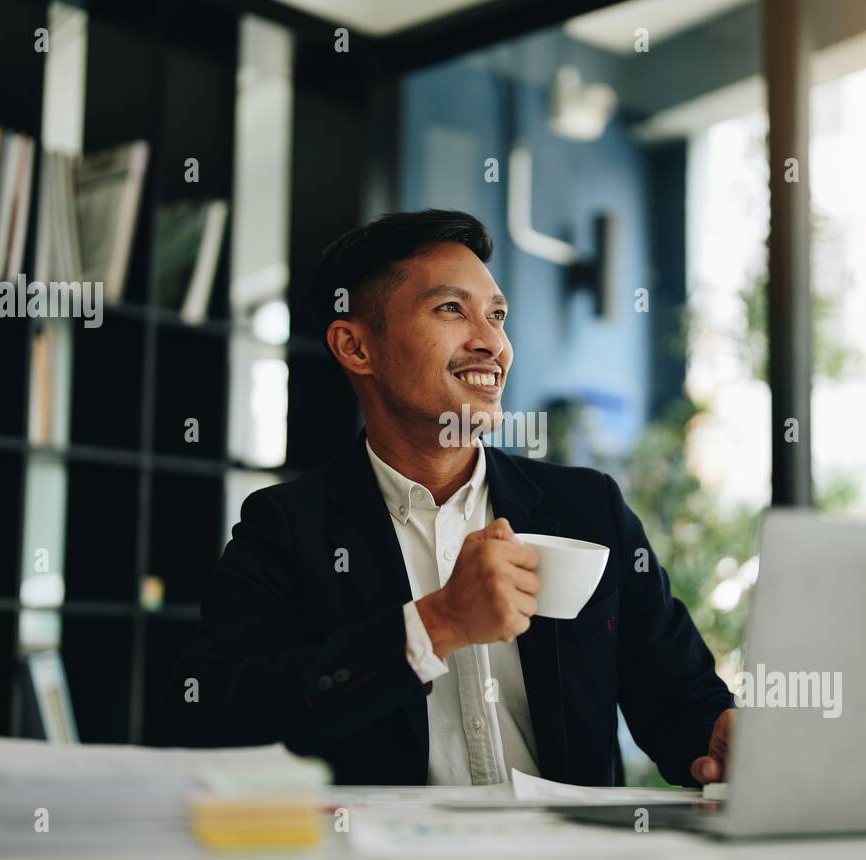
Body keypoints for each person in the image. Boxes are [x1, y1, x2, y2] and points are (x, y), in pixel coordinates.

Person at [164, 209, 736, 787]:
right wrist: (436, 625)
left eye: (497, 315)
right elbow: (213, 717)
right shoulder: (287, 529)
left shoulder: (589, 509)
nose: (493, 343)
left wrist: (716, 734)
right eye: (451, 309)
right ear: (356, 347)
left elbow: (680, 699)